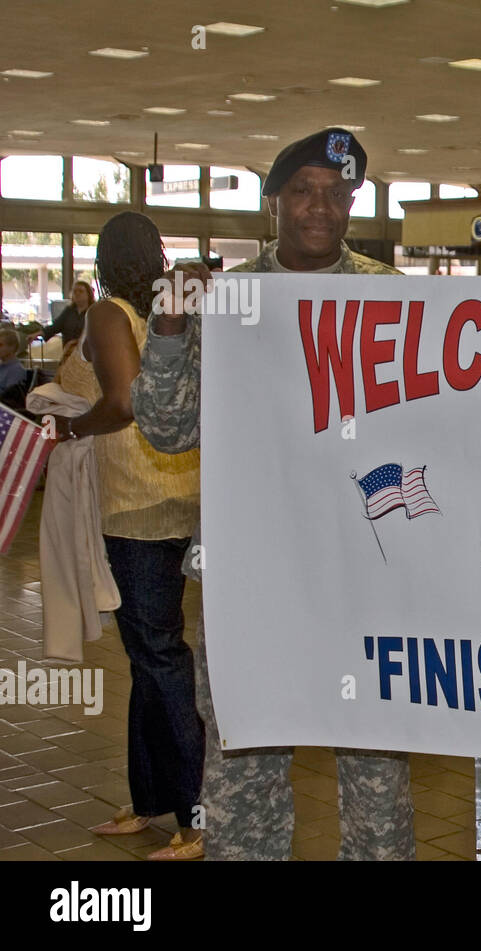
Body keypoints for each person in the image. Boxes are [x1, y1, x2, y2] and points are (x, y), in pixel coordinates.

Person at [131, 128, 416, 861]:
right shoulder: (225, 299)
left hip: (366, 568)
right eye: (302, 191)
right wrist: (167, 328)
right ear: (274, 202)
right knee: (246, 758)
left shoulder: (390, 297)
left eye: (336, 193)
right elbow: (165, 432)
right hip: (253, 572)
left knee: (376, 756)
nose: (319, 207)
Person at [53, 211, 205, 860]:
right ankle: (149, 798)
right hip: (176, 495)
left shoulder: (110, 315)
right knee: (150, 659)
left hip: (135, 508)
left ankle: (199, 815)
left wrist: (69, 429)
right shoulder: (164, 312)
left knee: (161, 659)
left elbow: (121, 401)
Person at [45, 280, 95, 347]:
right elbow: (56, 326)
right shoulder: (69, 311)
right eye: (74, 291)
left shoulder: (94, 312)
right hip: (68, 352)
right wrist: (39, 333)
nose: (77, 294)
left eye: (81, 291)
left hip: (87, 353)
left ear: (89, 294)